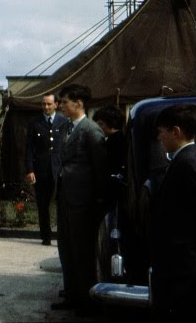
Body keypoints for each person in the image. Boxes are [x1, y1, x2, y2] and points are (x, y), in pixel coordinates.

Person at [51, 83, 107, 317]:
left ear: (79, 103)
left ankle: (86, 302)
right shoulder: (66, 127)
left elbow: (100, 170)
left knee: (82, 252)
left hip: (83, 203)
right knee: (66, 249)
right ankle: (71, 295)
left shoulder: (91, 131)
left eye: (64, 102)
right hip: (65, 199)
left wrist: (98, 201)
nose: (60, 106)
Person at [150, 103, 196, 321]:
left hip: (182, 267)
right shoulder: (185, 159)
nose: (159, 138)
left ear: (176, 131)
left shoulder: (187, 163)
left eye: (161, 132)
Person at [24, 93, 67, 246]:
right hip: (41, 169)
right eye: (43, 104)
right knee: (43, 205)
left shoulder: (64, 121)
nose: (46, 107)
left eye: (49, 104)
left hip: (59, 169)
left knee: (62, 204)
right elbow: (29, 148)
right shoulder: (35, 122)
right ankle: (46, 236)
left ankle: (63, 236)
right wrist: (30, 170)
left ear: (56, 105)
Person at [92, 104, 127, 209]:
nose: (98, 127)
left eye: (101, 124)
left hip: (113, 192)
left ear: (110, 123)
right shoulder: (121, 138)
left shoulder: (114, 142)